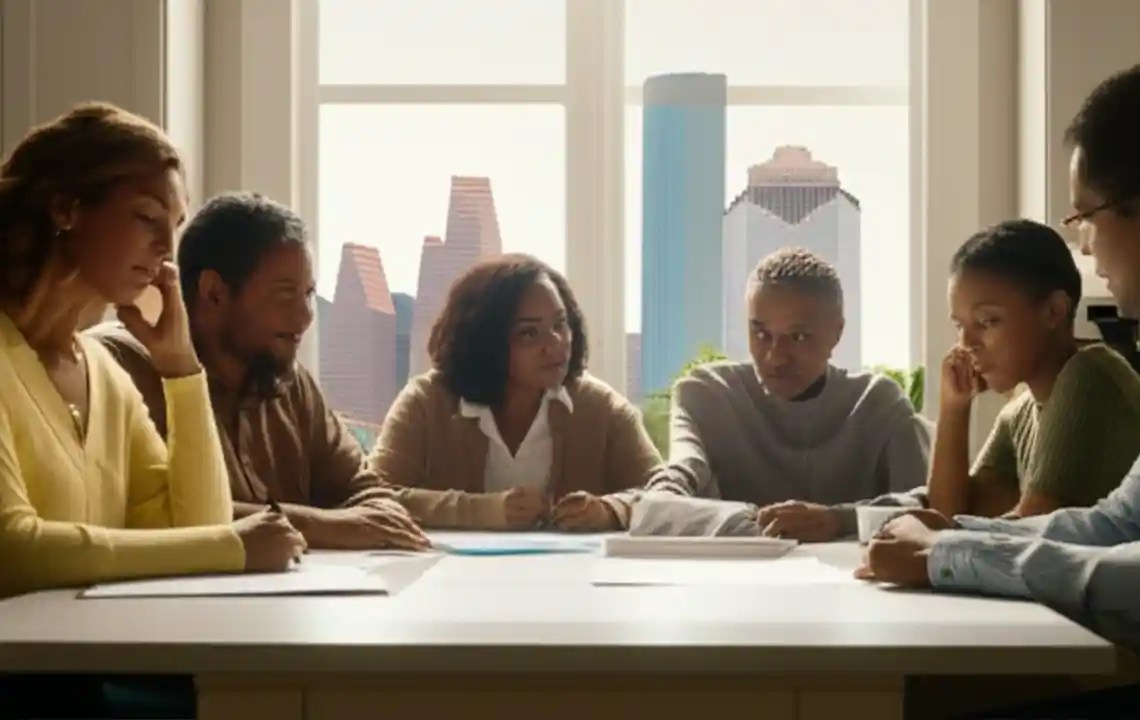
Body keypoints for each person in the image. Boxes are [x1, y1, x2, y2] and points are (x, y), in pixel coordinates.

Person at [860, 52, 1140, 717]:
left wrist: (946, 556)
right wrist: (947, 541)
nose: (1084, 249)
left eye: (1085, 218)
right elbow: (1126, 521)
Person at [0, 104, 304, 716]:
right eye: (146, 218)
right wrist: (232, 547)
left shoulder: (106, 376)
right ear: (66, 210)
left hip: (82, 682)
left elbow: (195, 523)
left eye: (176, 226)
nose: (167, 250)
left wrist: (181, 371)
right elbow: (14, 550)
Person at [92, 192, 428, 551]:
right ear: (215, 293)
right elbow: (163, 515)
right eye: (285, 295)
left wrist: (363, 521)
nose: (305, 317)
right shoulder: (119, 367)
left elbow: (369, 495)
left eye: (308, 294)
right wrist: (323, 524)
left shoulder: (289, 380)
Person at [643, 247, 932, 541]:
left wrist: (838, 520)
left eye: (798, 337)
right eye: (761, 333)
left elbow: (927, 508)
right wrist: (752, 523)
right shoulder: (706, 394)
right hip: (732, 580)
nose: (776, 358)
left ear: (837, 333)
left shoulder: (878, 403)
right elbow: (676, 480)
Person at [369, 254, 663, 531]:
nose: (555, 343)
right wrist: (484, 511)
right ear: (486, 342)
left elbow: (668, 497)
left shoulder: (601, 408)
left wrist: (610, 511)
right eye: (529, 333)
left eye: (561, 324)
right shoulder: (425, 403)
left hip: (570, 581)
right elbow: (371, 498)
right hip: (445, 580)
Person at [930, 219, 1140, 520]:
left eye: (987, 321)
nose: (965, 343)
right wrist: (954, 408)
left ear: (1054, 311)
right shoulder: (1020, 410)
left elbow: (1030, 531)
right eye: (959, 326)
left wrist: (927, 541)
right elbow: (952, 515)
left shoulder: (1092, 375)